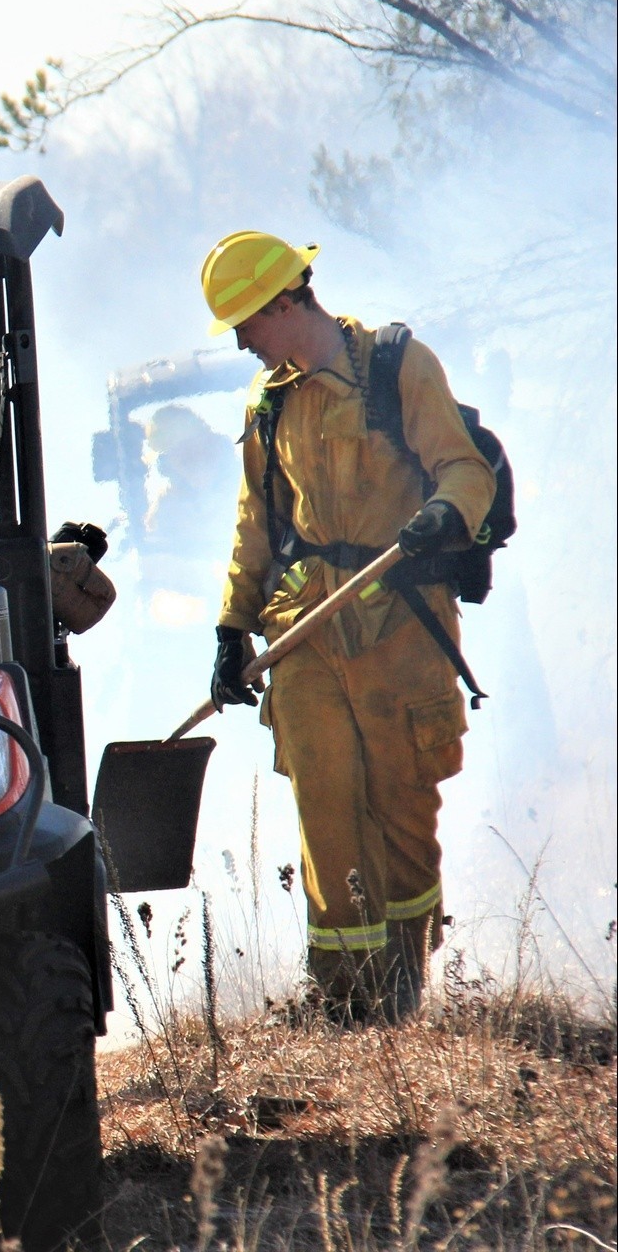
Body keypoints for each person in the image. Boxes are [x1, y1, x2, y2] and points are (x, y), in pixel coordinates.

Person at [200, 231, 495, 1025]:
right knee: (327, 809)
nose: (241, 343)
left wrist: (444, 515)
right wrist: (233, 630)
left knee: (402, 809)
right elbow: (255, 527)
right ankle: (347, 997)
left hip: (402, 621)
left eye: (246, 323)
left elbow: (466, 469)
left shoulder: (400, 366)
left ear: (285, 302)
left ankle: (404, 983)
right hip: (306, 632)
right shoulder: (270, 403)